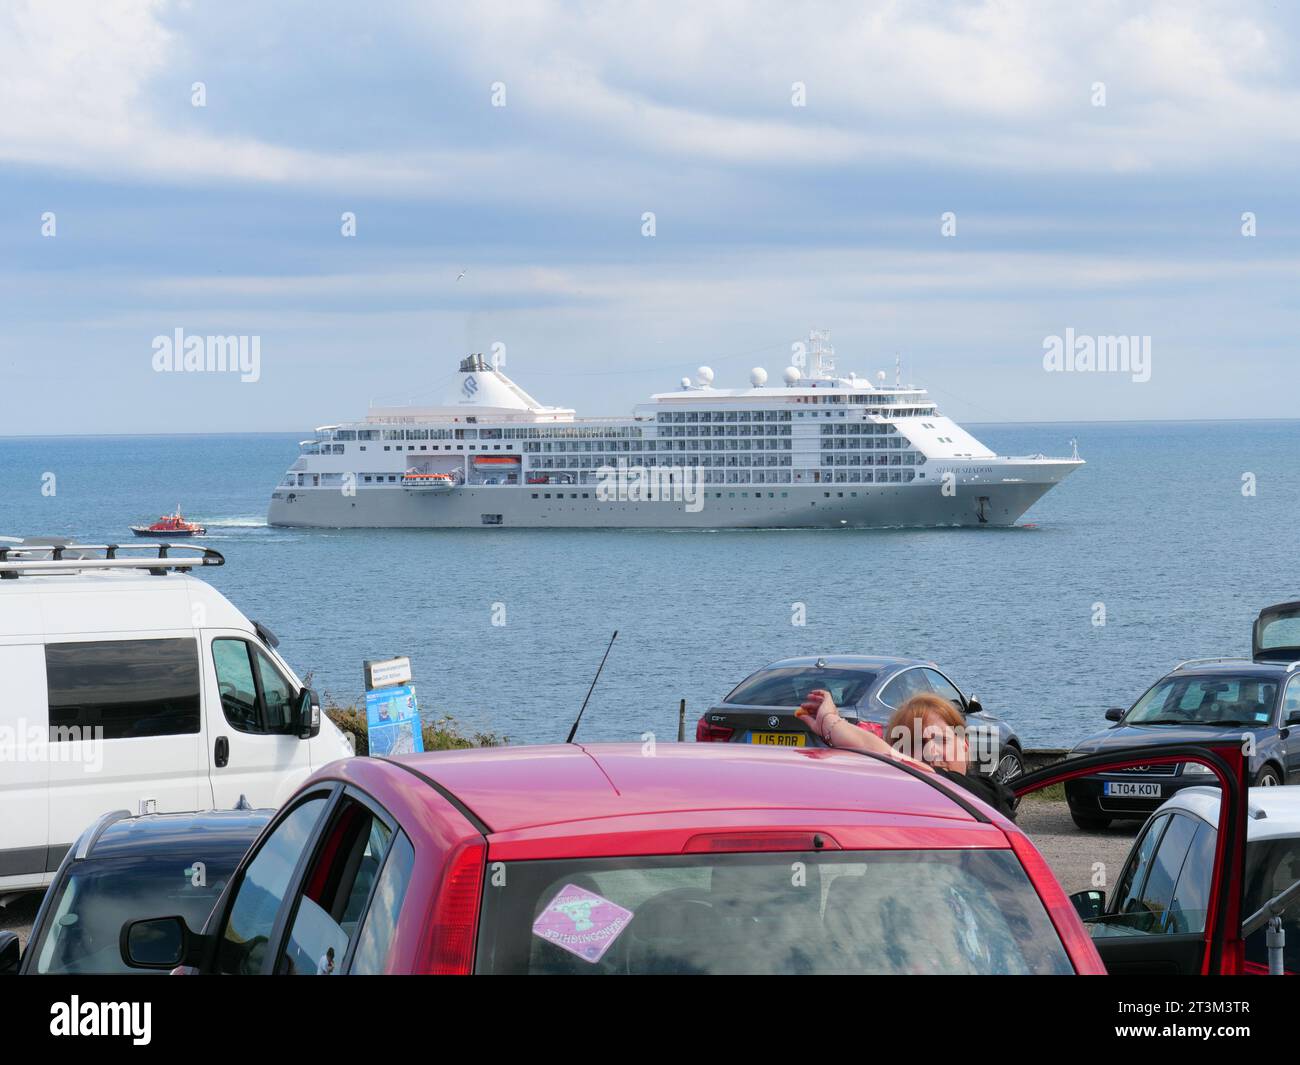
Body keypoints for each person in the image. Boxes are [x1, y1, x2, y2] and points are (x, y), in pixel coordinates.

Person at [797, 689, 1016, 818]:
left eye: (942, 739)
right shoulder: (887, 801)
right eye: (916, 742)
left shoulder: (987, 794)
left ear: (965, 746)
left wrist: (830, 721)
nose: (931, 751)